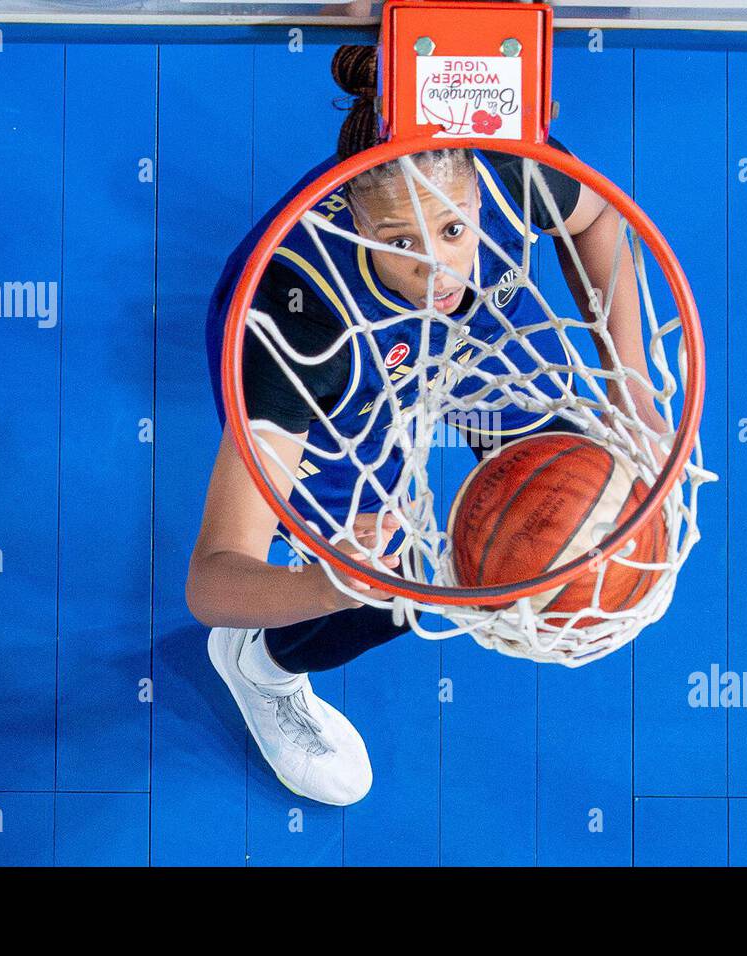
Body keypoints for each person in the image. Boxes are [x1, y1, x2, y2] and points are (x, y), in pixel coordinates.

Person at [187, 45, 664, 806]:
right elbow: (212, 579)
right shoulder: (294, 329)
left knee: (570, 477)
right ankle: (259, 666)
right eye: (399, 242)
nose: (438, 270)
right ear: (354, 216)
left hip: (479, 336)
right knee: (395, 585)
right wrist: (325, 584)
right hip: (350, 374)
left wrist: (629, 371)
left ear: (479, 193)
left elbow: (597, 215)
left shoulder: (502, 166)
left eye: (451, 230)